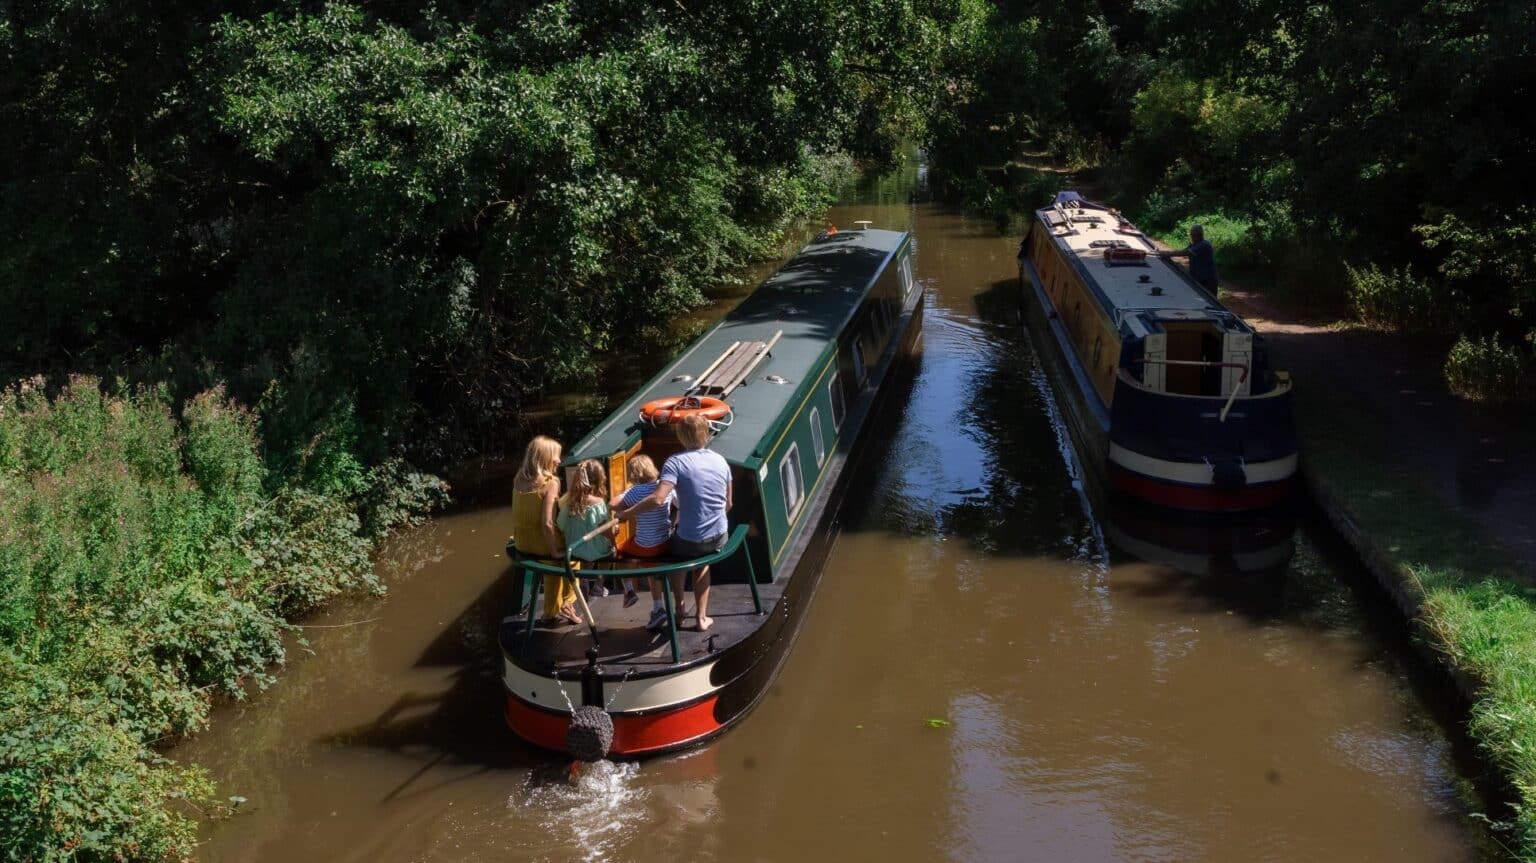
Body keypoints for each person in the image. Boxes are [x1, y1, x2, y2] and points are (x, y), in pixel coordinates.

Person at [617, 414, 732, 632]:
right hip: (719, 535)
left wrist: (628, 514)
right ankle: (701, 618)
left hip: (688, 539)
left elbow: (658, 498)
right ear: (706, 434)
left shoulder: (675, 462)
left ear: (680, 436)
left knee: (677, 555)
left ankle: (679, 612)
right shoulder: (721, 460)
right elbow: (729, 503)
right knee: (702, 561)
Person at [511, 436, 579, 626]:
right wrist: (556, 550)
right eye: (556, 456)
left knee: (553, 563)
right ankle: (568, 602)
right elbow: (547, 524)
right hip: (539, 545)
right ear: (546, 457)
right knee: (572, 557)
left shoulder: (518, 478)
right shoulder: (550, 483)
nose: (559, 460)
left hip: (521, 542)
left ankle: (551, 612)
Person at [611, 454, 680, 618]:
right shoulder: (665, 487)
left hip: (644, 545)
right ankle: (658, 608)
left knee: (618, 553)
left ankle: (628, 590)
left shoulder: (635, 491)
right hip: (664, 542)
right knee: (652, 567)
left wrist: (626, 499)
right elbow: (679, 504)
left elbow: (612, 504)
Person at [1157, 224, 1219, 292]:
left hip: (1208, 280)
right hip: (1198, 278)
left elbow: (1185, 253)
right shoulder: (1194, 244)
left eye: (1193, 235)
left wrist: (1168, 254)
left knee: (1209, 299)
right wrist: (1165, 252)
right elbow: (1182, 251)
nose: (1192, 237)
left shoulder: (1203, 245)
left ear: (1199, 235)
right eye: (1191, 235)